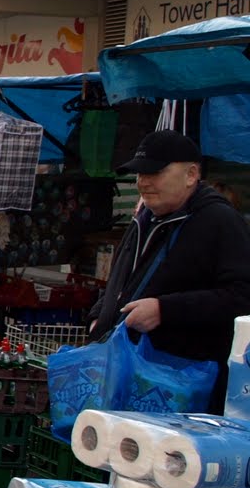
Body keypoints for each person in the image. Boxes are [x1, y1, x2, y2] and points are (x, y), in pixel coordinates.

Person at [90, 130, 250, 411]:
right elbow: (123, 280)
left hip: (181, 391)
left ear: (191, 175)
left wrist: (165, 310)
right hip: (128, 377)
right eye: (139, 173)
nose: (142, 182)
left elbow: (242, 296)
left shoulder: (220, 221)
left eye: (154, 172)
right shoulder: (145, 217)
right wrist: (99, 316)